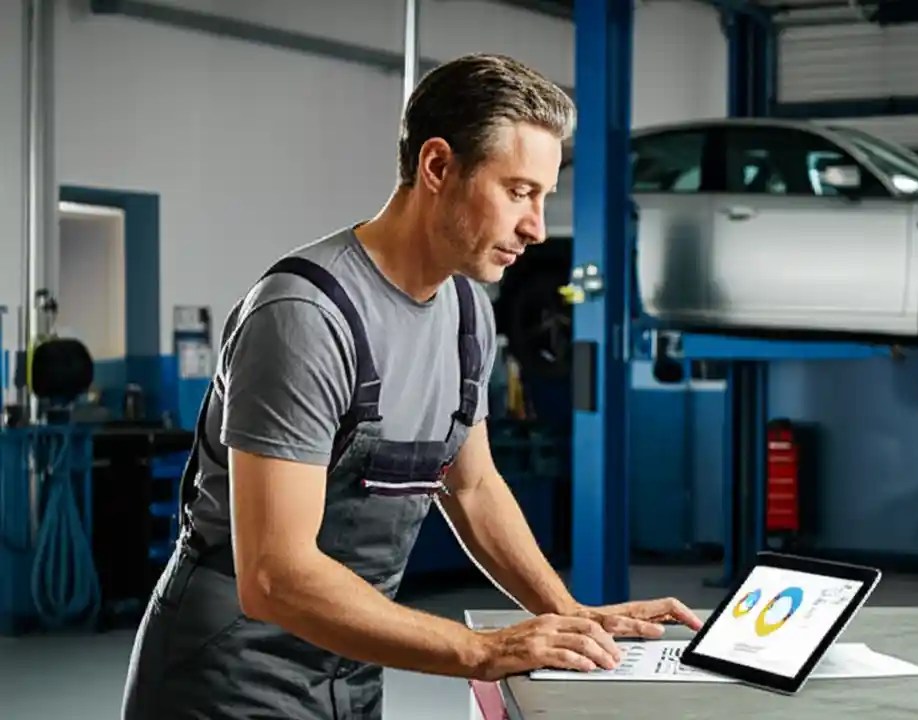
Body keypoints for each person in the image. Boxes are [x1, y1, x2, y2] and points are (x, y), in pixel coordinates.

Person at [120, 53, 702, 719]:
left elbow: (474, 488)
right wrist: (482, 649)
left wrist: (569, 616)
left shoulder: (466, 313)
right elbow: (274, 577)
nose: (537, 228)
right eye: (518, 192)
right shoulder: (306, 317)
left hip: (350, 672)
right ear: (437, 168)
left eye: (542, 197)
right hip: (227, 680)